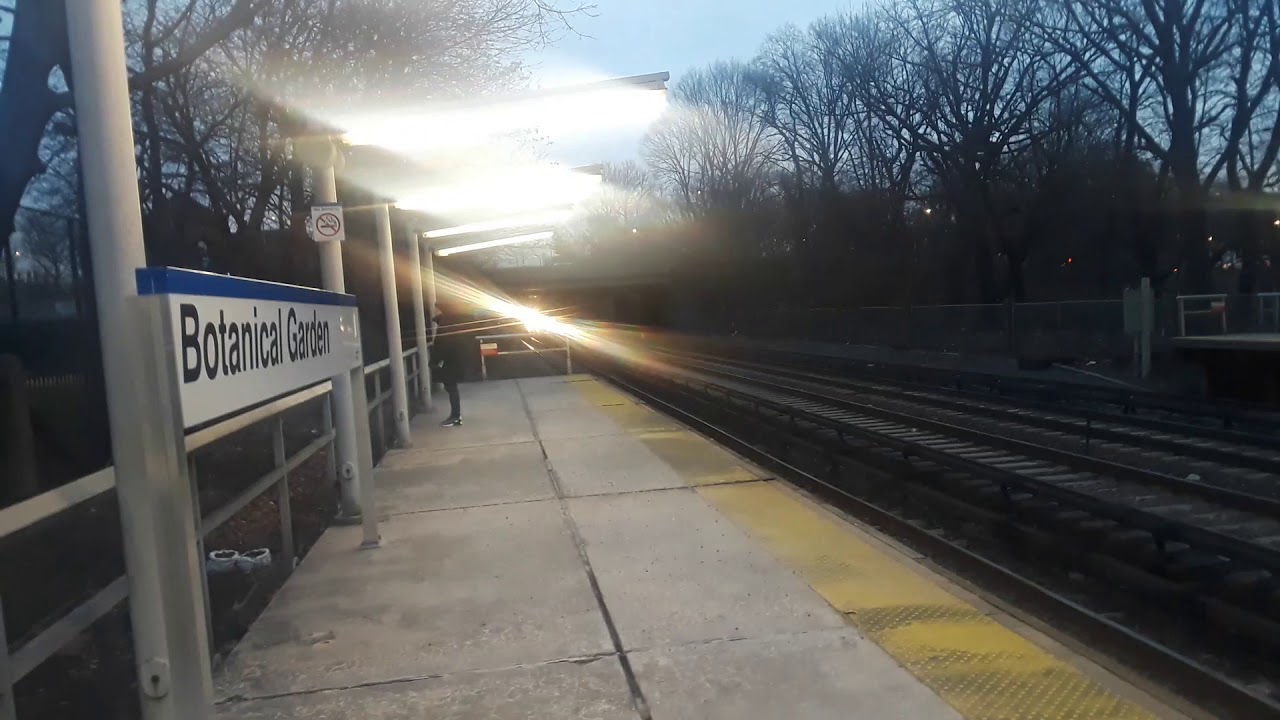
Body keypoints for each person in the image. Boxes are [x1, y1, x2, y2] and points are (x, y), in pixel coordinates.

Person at [432, 302, 467, 427]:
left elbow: (443, 345)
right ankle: (455, 415)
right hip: (452, 360)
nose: (434, 311)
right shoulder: (449, 322)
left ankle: (455, 416)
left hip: (449, 362)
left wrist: (436, 360)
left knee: (451, 387)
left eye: (436, 309)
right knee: (450, 387)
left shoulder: (445, 324)